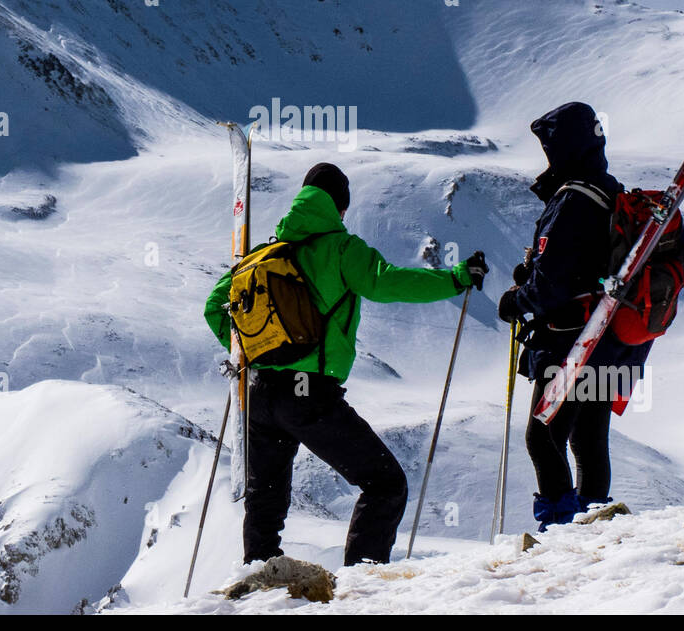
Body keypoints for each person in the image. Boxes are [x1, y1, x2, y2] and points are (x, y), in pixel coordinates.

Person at [204, 162, 487, 567]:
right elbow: (390, 283)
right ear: (339, 207)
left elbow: (215, 306)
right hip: (309, 395)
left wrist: (252, 352)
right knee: (384, 484)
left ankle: (260, 582)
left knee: (265, 498)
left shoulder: (260, 255)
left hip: (260, 393)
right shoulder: (341, 249)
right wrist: (456, 278)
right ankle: (361, 584)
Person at [497, 102, 651, 531]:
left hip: (570, 340)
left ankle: (561, 531)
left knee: (542, 436)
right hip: (611, 340)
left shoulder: (572, 199)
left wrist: (515, 301)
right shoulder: (609, 189)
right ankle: (594, 526)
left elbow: (550, 286)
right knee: (588, 438)